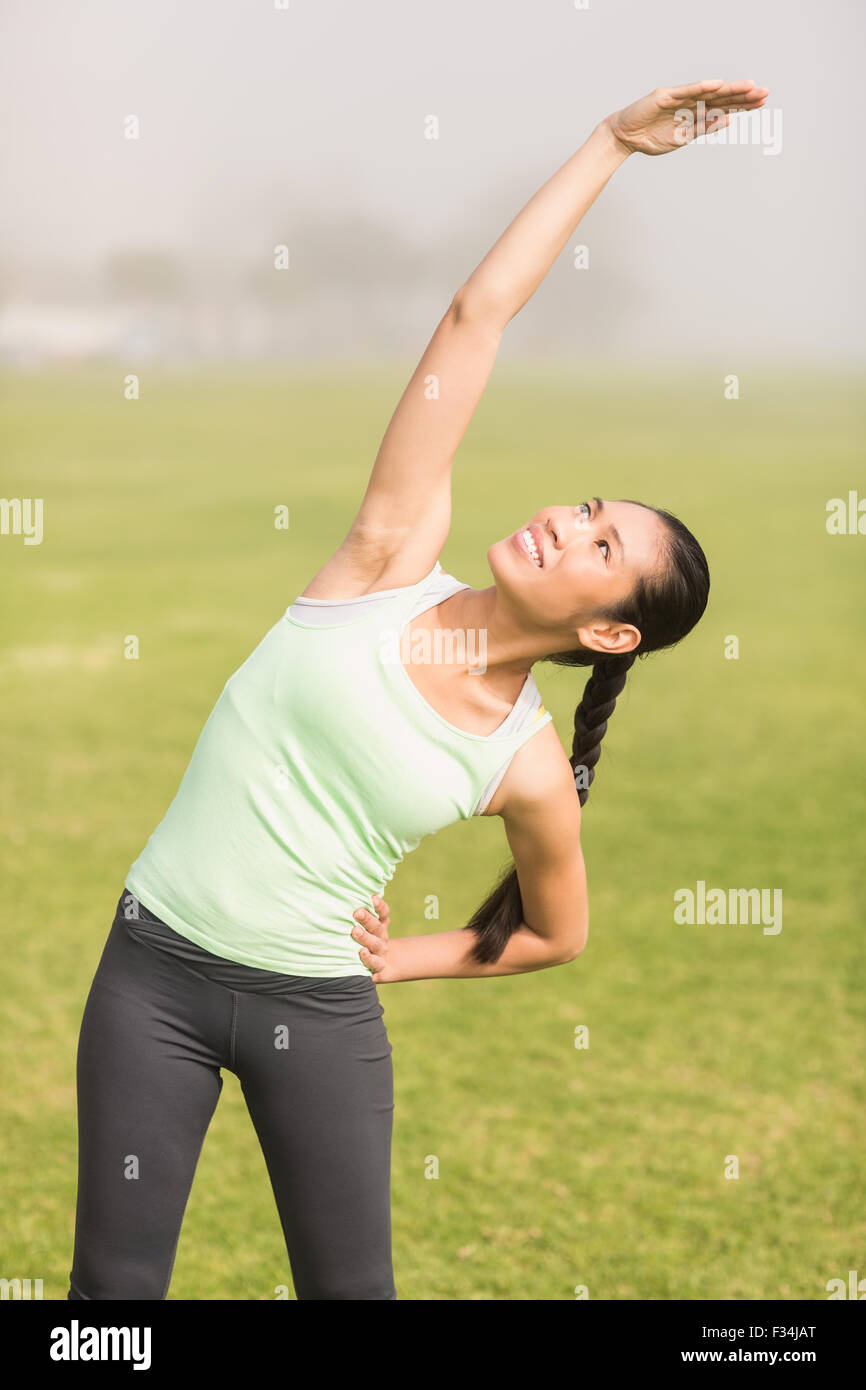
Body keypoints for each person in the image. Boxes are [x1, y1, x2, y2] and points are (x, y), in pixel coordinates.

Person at [67, 77, 767, 1301]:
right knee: (107, 1308)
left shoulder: (528, 765)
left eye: (600, 548)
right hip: (151, 977)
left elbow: (557, 932)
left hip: (319, 1020)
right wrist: (608, 142)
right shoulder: (387, 554)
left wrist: (407, 961)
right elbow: (472, 318)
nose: (565, 522)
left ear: (608, 636)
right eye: (589, 508)